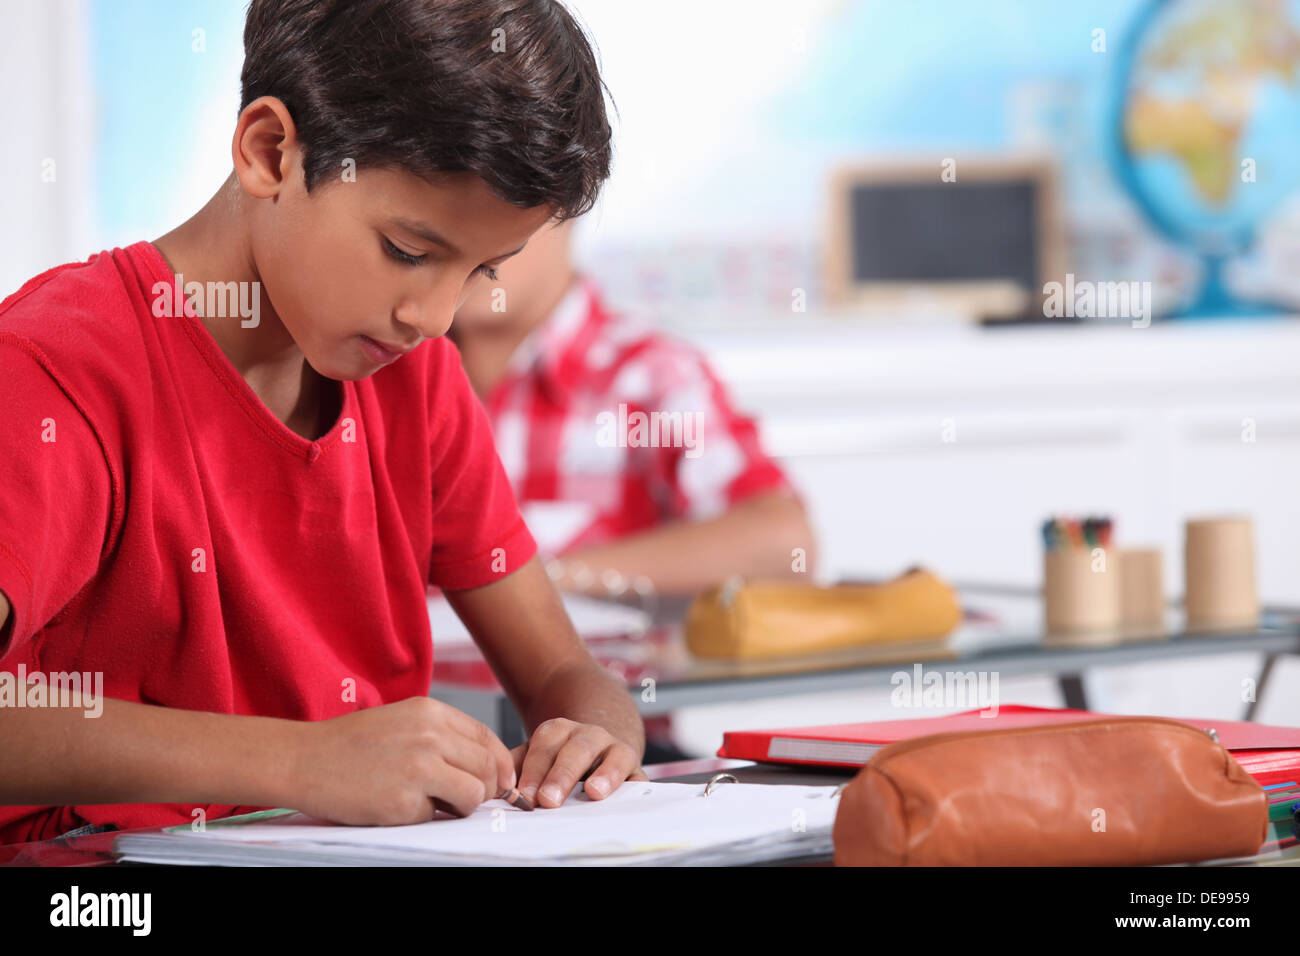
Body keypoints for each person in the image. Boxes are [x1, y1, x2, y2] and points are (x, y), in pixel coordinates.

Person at [0, 0, 645, 844]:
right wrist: (301, 761)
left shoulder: (417, 383)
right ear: (270, 151)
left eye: (481, 268)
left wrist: (600, 732)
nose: (435, 316)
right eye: (408, 252)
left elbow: (562, 670)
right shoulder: (56, 370)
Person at [451, 221, 818, 761]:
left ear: (565, 206)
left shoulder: (647, 374)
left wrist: (522, 585)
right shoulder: (380, 367)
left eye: (500, 213)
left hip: (603, 748)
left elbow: (783, 544)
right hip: (422, 751)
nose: (469, 251)